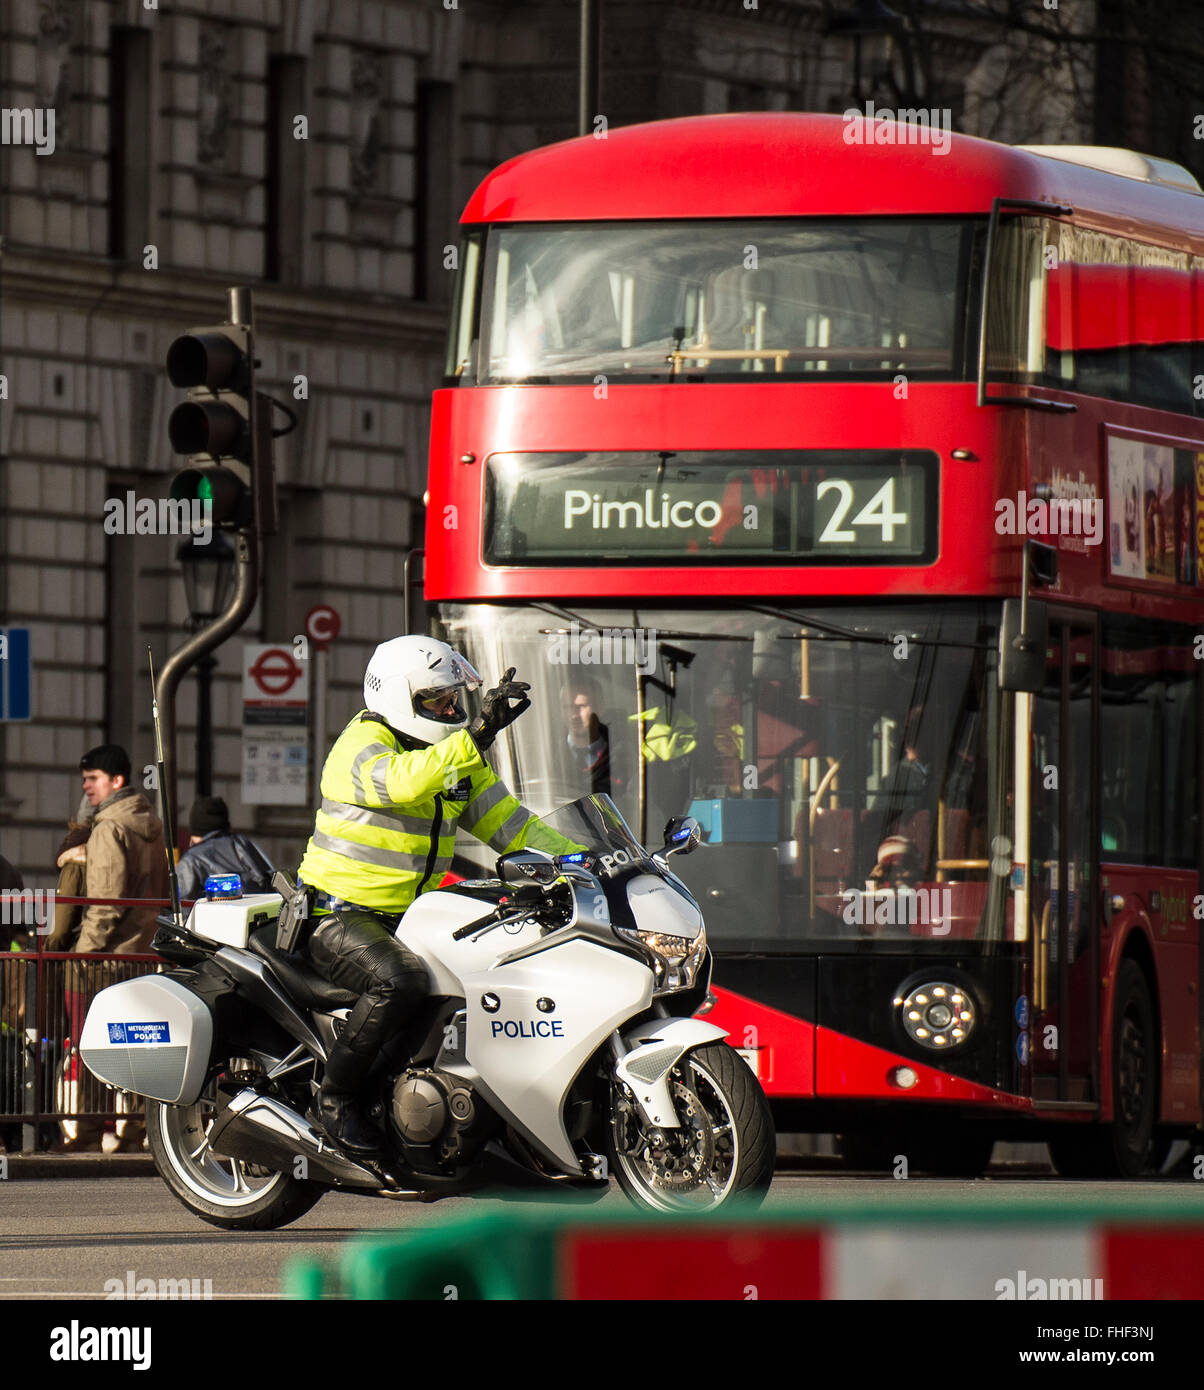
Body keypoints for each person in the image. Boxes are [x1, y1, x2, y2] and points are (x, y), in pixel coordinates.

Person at [295, 635, 570, 1154]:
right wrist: (477, 733)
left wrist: (584, 860)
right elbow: (400, 784)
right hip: (336, 913)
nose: (451, 710)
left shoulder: (449, 758)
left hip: (407, 916)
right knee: (401, 981)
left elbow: (511, 825)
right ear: (401, 698)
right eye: (438, 701)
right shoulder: (361, 746)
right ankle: (334, 1102)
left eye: (455, 701)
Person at [62, 745, 169, 1152]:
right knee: (135, 1047)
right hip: (142, 956)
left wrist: (82, 955)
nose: (86, 786)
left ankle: (88, 1133)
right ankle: (136, 1131)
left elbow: (105, 904)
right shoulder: (153, 826)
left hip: (104, 961)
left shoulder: (109, 828)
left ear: (116, 781)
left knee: (89, 1048)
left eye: (92, 778)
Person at [176, 796, 274, 901]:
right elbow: (269, 880)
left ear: (195, 830)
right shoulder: (244, 844)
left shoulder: (191, 860)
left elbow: (184, 906)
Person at [564, 678, 612, 795]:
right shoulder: (548, 756)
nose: (574, 715)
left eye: (581, 706)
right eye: (567, 707)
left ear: (600, 708)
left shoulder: (622, 757)